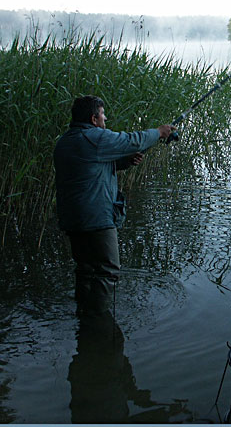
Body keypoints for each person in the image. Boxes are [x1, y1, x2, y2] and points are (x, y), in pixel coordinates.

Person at [54, 95, 174, 316]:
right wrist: (159, 132)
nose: (105, 118)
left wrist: (125, 162)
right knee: (108, 270)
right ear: (93, 118)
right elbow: (131, 140)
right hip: (96, 218)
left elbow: (89, 168)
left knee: (85, 269)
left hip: (72, 218)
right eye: (102, 114)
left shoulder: (66, 140)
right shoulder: (94, 138)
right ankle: (100, 321)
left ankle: (84, 313)